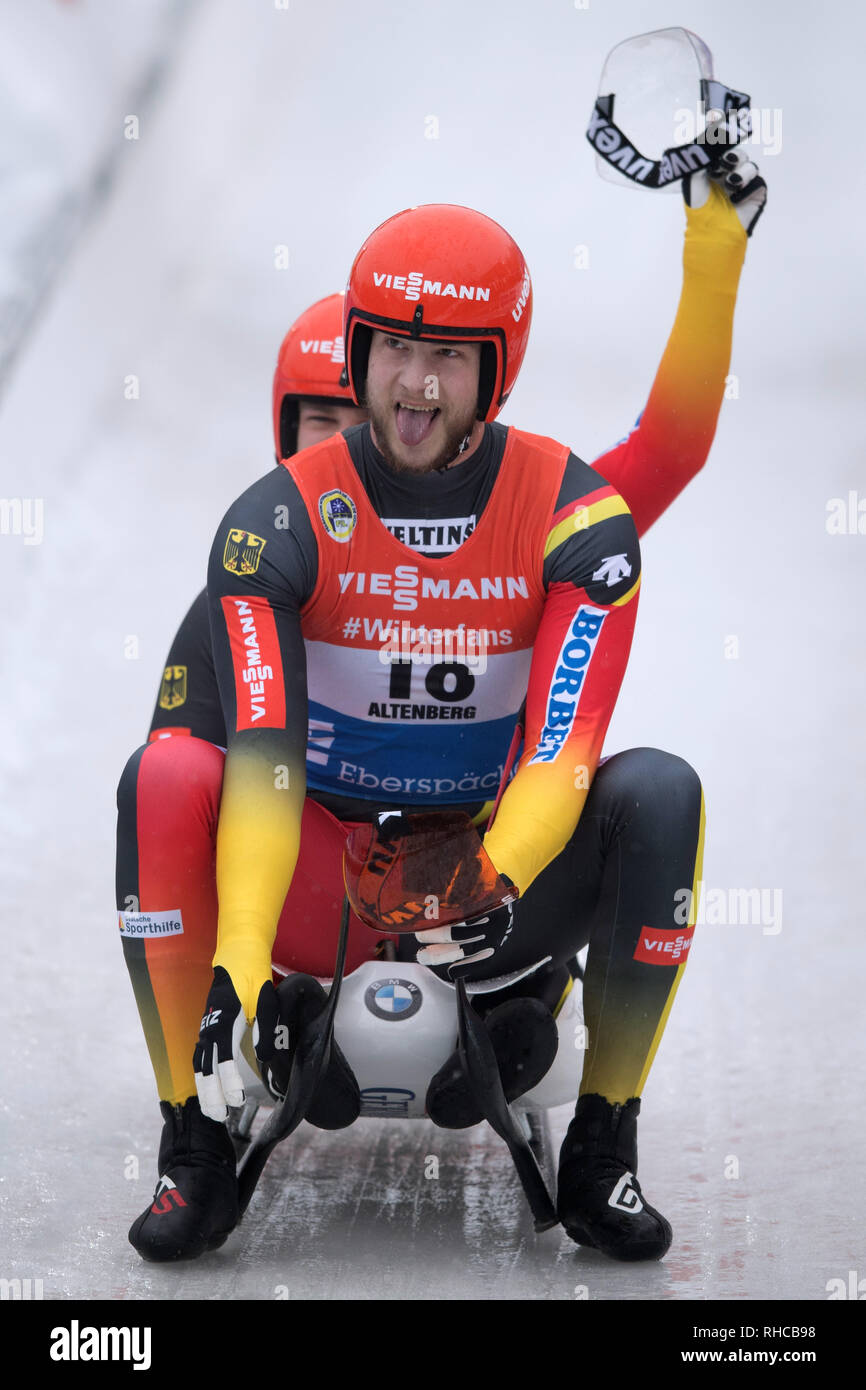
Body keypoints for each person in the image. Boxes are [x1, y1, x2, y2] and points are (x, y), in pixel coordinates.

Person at [117, 151, 765, 1263]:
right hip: (322, 872)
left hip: (486, 863)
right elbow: (259, 766)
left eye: (445, 359)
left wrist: (495, 875)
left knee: (659, 789)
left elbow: (566, 752)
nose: (409, 391)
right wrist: (233, 961)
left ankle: (603, 1141)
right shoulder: (272, 526)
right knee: (168, 772)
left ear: (492, 374)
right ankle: (194, 1134)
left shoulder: (568, 511)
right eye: (390, 356)